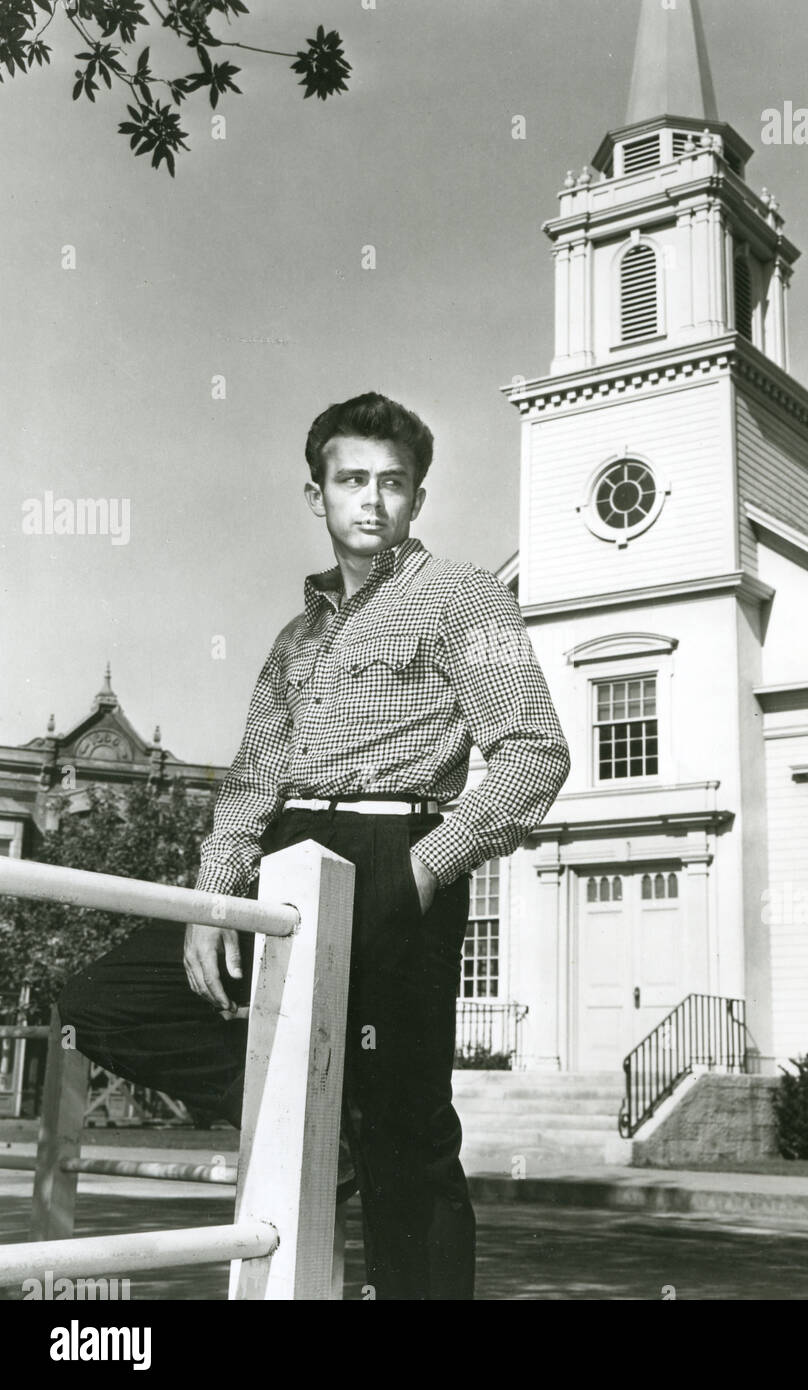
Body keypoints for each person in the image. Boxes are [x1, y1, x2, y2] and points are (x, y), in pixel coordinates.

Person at [58, 392, 571, 1300]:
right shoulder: (295, 638)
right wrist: (215, 900)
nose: (371, 500)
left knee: (407, 1131)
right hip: (284, 861)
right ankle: (319, 1129)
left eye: (393, 483)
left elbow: (534, 755)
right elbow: (252, 779)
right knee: (107, 1000)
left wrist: (419, 869)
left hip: (397, 851)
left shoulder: (464, 598)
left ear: (417, 497)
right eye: (350, 480)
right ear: (316, 495)